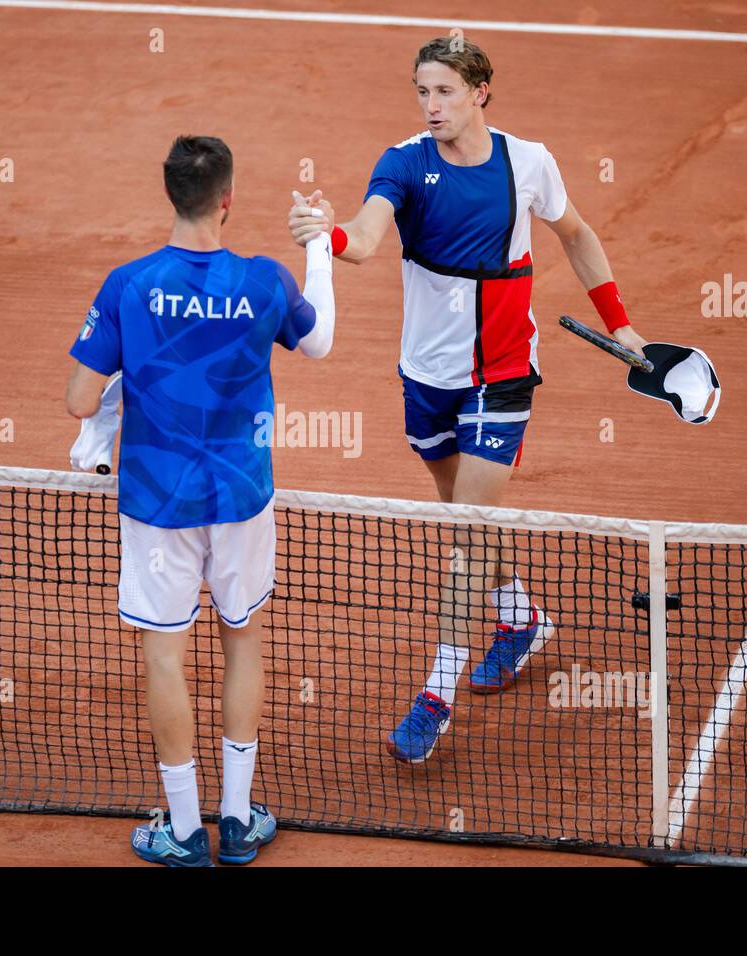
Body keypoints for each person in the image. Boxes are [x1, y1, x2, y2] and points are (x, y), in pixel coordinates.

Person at [287, 37, 649, 763]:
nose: (432, 106)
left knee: (464, 542)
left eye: (445, 91)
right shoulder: (404, 163)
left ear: (481, 90)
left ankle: (435, 694)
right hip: (426, 377)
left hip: (504, 373)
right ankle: (521, 621)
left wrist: (623, 325)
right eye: (423, 91)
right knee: (468, 523)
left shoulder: (528, 163)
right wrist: (324, 236)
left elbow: (576, 235)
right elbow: (364, 236)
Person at [68, 135, 336, 865]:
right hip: (243, 497)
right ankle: (239, 820)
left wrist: (124, 389)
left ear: (171, 196)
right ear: (227, 199)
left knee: (165, 656)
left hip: (156, 504)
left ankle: (185, 831)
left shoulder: (127, 282)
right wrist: (315, 245)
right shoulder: (264, 281)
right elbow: (320, 343)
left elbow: (79, 397)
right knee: (242, 639)